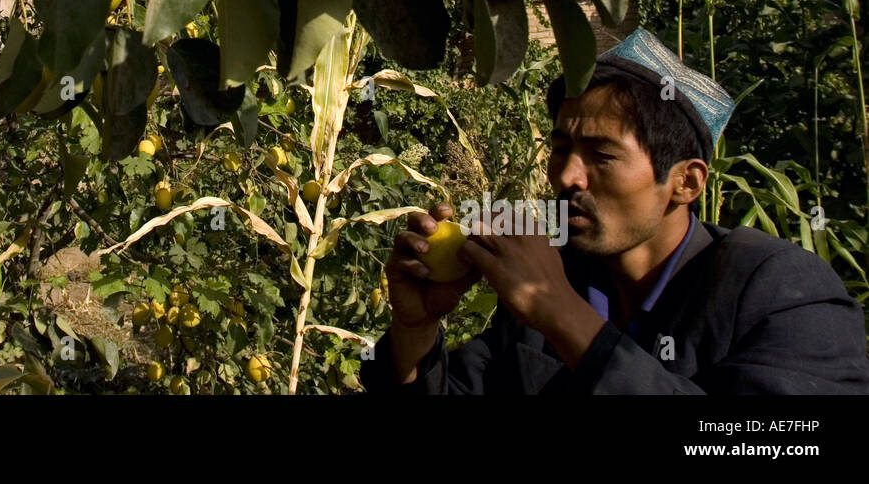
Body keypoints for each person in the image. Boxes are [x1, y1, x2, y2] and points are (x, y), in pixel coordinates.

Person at [362, 28, 869, 394]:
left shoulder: (780, 292)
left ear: (685, 182)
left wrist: (562, 313)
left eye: (602, 155)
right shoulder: (561, 282)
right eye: (561, 148)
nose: (566, 177)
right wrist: (415, 330)